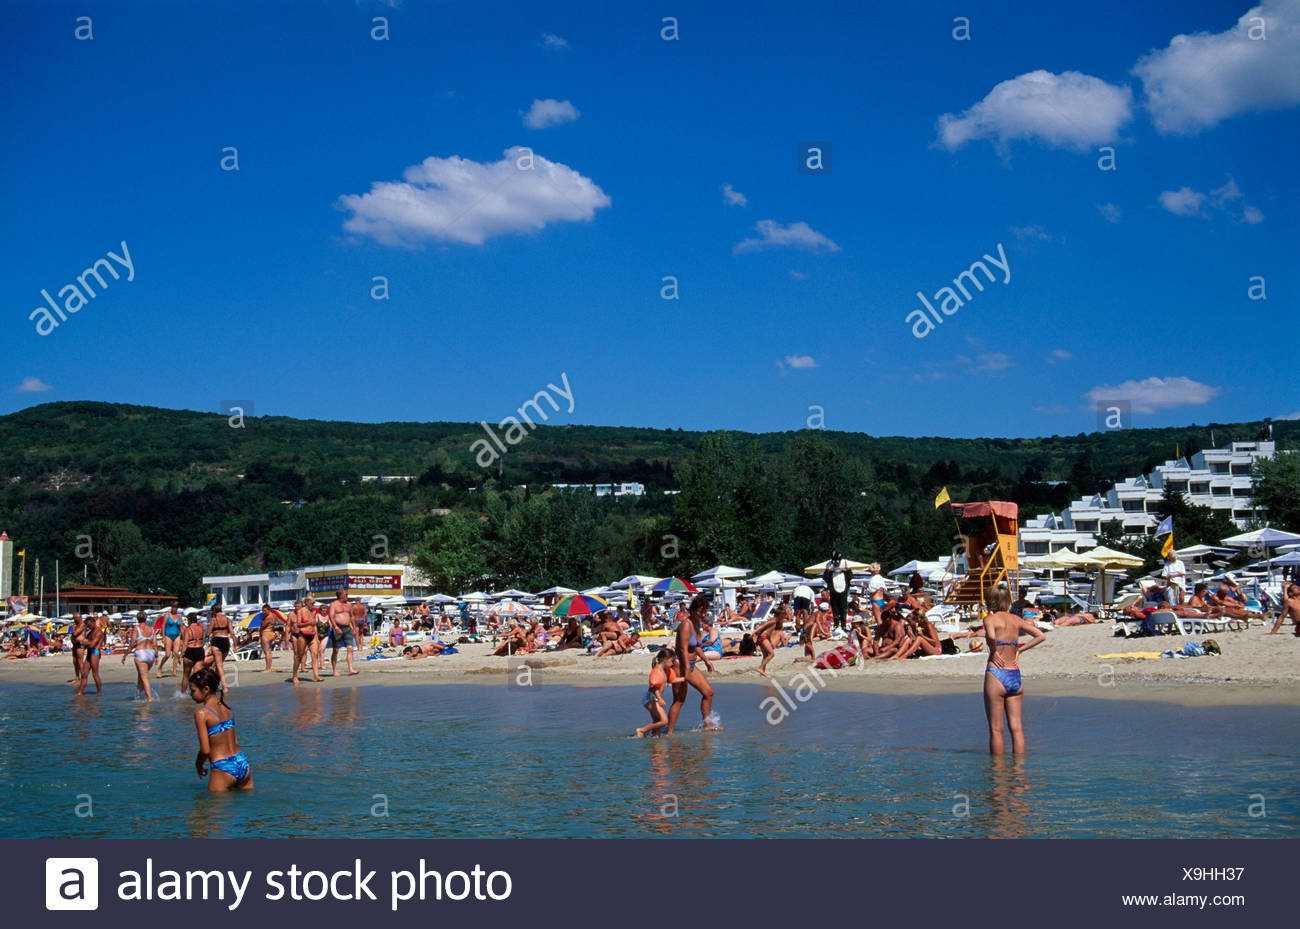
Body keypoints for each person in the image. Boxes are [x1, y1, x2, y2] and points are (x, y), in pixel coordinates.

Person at [982, 587, 1046, 755]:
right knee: (1017, 728)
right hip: (1014, 674)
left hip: (997, 673)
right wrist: (1020, 650)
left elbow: (991, 636)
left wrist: (994, 650)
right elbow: (1040, 636)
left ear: (990, 601)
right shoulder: (1016, 620)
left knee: (996, 730)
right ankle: (1019, 772)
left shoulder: (990, 619)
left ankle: (998, 774)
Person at [188, 667, 253, 791]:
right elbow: (236, 742)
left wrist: (198, 765)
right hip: (242, 762)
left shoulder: (202, 713)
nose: (191, 695)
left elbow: (205, 750)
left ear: (206, 689)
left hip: (223, 766)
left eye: (193, 691)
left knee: (211, 809)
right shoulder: (227, 708)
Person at [666, 595, 719, 733]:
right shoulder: (686, 625)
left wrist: (707, 661)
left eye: (704, 612)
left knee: (708, 692)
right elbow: (683, 648)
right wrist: (686, 667)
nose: (702, 614)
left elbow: (696, 646)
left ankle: (707, 725)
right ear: (693, 610)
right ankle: (669, 733)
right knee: (679, 700)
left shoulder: (697, 625)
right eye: (700, 611)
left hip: (690, 663)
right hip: (679, 664)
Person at [636, 649, 676, 738]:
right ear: (664, 659)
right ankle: (642, 730)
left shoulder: (664, 670)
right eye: (671, 661)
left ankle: (656, 745)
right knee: (664, 721)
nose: (673, 664)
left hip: (653, 698)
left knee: (657, 722)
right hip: (651, 698)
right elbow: (654, 687)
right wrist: (660, 698)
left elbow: (673, 680)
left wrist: (685, 679)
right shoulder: (657, 671)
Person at [121, 611, 157, 701]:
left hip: (141, 654)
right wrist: (156, 656)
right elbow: (155, 644)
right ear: (146, 619)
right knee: (141, 676)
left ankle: (149, 699)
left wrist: (125, 655)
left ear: (137, 619)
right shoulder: (152, 629)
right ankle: (139, 696)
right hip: (151, 653)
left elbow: (132, 644)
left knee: (144, 677)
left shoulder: (136, 629)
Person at [328, 589, 360, 676]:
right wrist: (335, 627)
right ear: (341, 595)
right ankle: (334, 670)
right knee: (336, 650)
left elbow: (352, 616)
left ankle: (351, 668)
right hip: (338, 628)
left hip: (347, 628)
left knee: (350, 648)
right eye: (346, 594)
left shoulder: (349, 604)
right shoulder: (334, 604)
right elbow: (331, 616)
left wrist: (354, 628)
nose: (347, 596)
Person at [290, 599, 322, 685]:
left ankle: (316, 675)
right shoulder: (301, 611)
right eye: (312, 602)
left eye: (314, 602)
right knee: (299, 656)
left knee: (315, 655)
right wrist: (308, 622)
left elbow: (314, 625)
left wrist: (317, 637)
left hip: (312, 634)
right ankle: (295, 676)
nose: (313, 604)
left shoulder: (313, 611)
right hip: (303, 634)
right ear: (306, 602)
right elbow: (298, 624)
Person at [74, 613, 106, 696]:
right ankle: (80, 692)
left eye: (89, 625)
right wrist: (85, 642)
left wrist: (85, 642)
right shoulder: (90, 632)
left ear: (94, 622)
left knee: (95, 673)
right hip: (89, 653)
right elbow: (86, 642)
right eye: (87, 626)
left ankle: (99, 692)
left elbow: (92, 644)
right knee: (84, 674)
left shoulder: (98, 632)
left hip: (95, 652)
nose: (88, 627)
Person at [754, 603, 787, 677]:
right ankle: (760, 668)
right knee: (771, 654)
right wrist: (753, 633)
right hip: (762, 638)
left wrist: (770, 642)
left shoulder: (775, 622)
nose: (783, 619)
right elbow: (762, 626)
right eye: (783, 617)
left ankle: (762, 673)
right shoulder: (773, 621)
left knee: (766, 655)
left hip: (762, 638)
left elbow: (768, 633)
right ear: (780, 616)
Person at [208, 602, 234, 692]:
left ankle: (224, 686)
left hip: (217, 641)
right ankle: (215, 683)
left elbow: (208, 633)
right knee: (216, 665)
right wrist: (235, 644)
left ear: (214, 611)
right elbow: (232, 633)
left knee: (218, 666)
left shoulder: (213, 619)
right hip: (225, 641)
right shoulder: (227, 619)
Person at [180, 611, 208, 683]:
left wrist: (180, 656)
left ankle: (183, 694)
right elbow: (203, 642)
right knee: (197, 675)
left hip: (190, 651)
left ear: (189, 620)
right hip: (199, 650)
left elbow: (185, 644)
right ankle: (197, 692)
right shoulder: (201, 629)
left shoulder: (188, 630)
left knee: (186, 676)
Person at [157, 605, 184, 678]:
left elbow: (181, 627)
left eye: (175, 607)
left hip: (177, 635)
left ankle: (174, 671)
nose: (174, 609)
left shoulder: (179, 616)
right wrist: (163, 637)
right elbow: (163, 625)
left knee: (176, 653)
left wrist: (184, 637)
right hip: (168, 635)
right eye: (173, 607)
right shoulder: (167, 615)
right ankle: (160, 668)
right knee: (168, 654)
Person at [257, 603, 284, 672]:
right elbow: (275, 623)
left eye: (265, 610)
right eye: (263, 610)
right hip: (271, 633)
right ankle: (269, 667)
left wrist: (262, 620)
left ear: (269, 610)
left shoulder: (268, 617)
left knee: (266, 652)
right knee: (268, 652)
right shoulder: (274, 615)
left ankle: (267, 668)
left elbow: (262, 626)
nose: (264, 612)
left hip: (266, 633)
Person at [68, 612, 86, 684]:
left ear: (79, 618)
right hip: (75, 644)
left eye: (75, 618)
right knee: (75, 661)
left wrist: (73, 628)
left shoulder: (82, 624)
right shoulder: (76, 625)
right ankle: (77, 678)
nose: (74, 620)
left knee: (80, 661)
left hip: (80, 644)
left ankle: (83, 678)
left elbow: (75, 634)